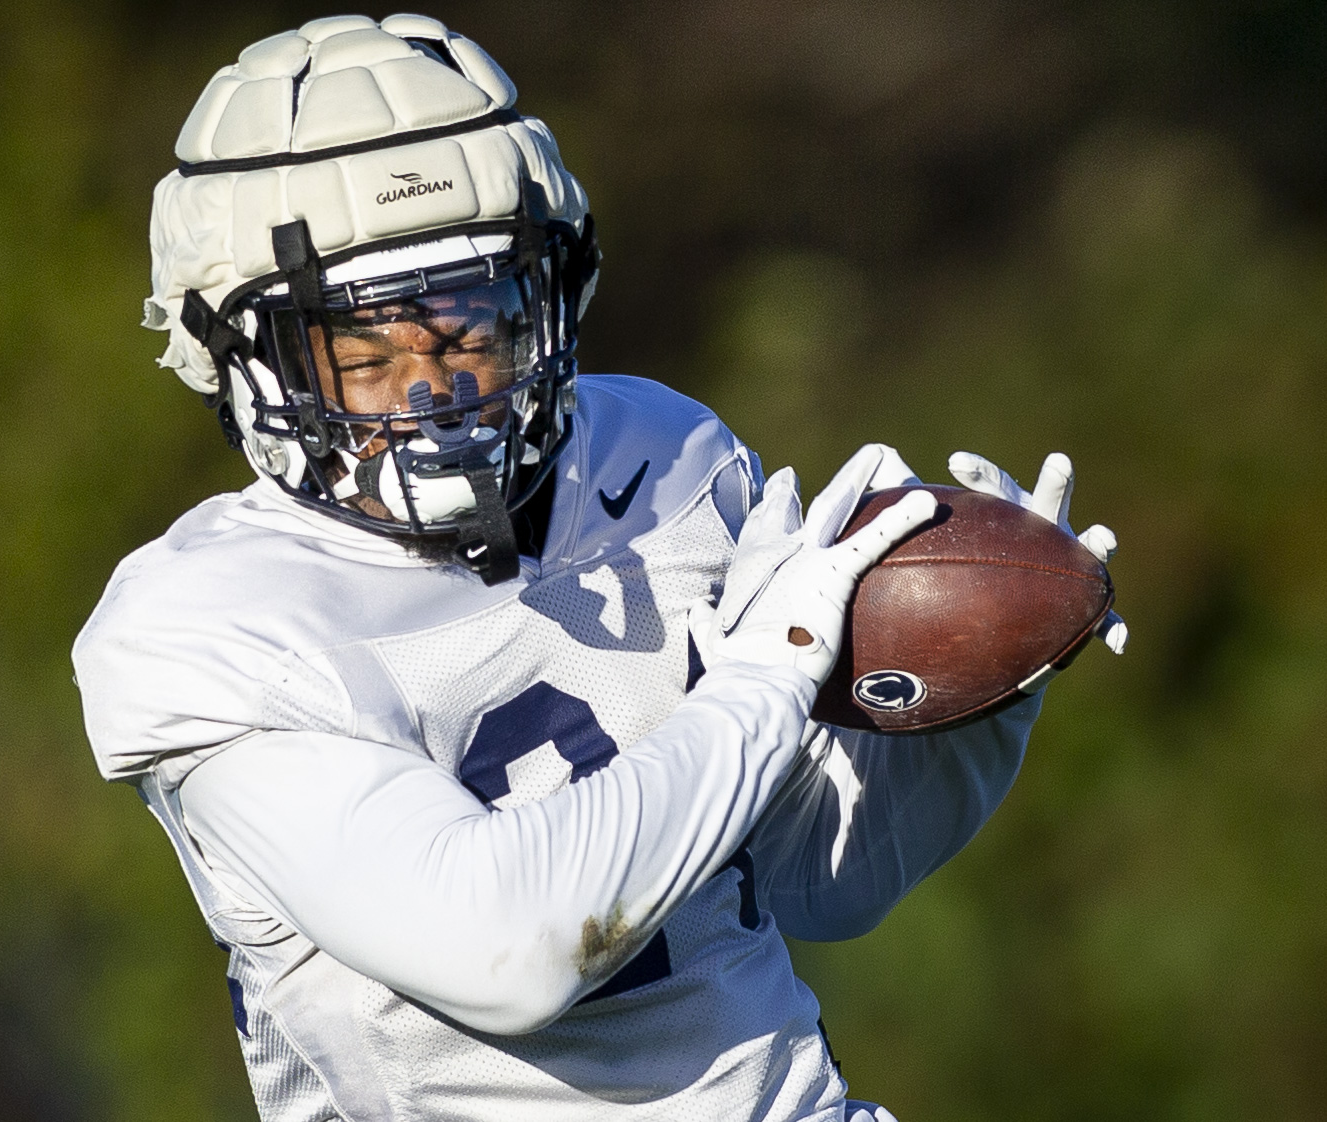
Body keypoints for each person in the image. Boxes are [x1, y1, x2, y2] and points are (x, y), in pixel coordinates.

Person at [72, 14, 1125, 1122]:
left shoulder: (658, 457)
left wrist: (979, 686)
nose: (436, 390)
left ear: (551, 298)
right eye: (367, 353)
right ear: (239, 360)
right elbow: (505, 949)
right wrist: (766, 681)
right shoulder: (208, 628)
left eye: (471, 324)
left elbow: (822, 874)